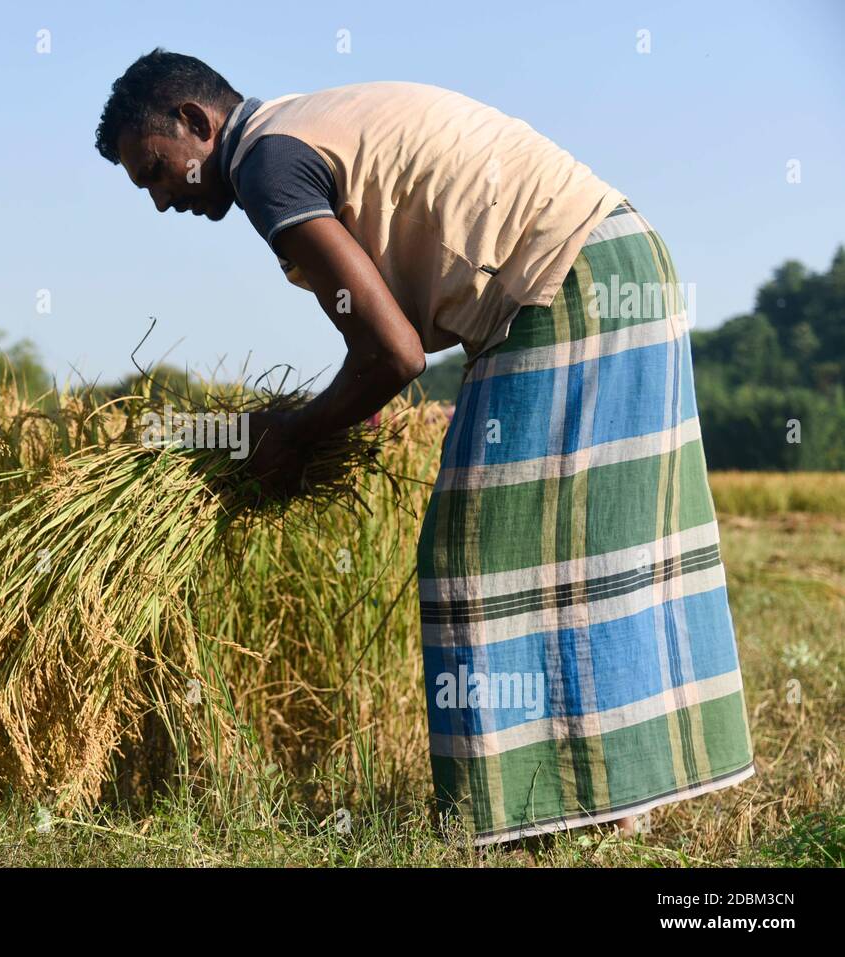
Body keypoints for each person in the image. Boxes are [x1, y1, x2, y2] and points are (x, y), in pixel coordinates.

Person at [94, 48, 756, 847]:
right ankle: (605, 804)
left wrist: (290, 435)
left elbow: (394, 356)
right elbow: (388, 343)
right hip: (615, 261)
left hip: (569, 279)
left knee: (473, 554)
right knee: (590, 552)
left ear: (197, 124)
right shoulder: (297, 132)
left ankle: (527, 816)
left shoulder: (269, 164)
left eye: (157, 171)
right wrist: (328, 413)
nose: (162, 200)